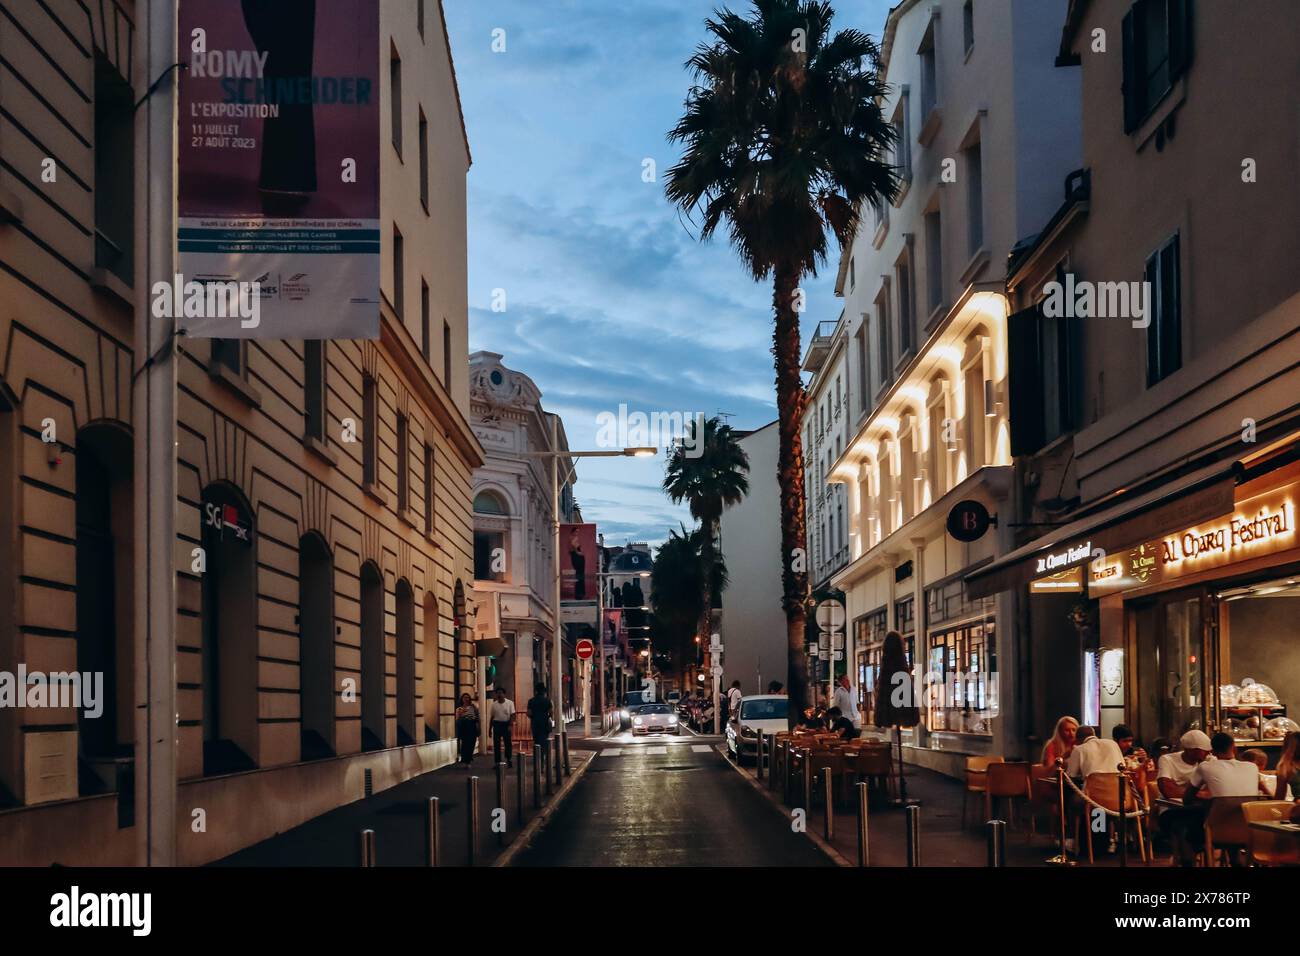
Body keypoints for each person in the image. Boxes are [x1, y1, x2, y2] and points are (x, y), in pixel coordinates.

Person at [490, 686, 516, 768]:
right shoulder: (494, 704)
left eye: (501, 693)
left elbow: (512, 715)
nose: (499, 695)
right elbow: (492, 717)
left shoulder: (509, 703)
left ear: (504, 694)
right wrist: (489, 729)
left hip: (506, 724)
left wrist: (510, 725)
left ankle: (509, 759)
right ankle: (497, 762)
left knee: (507, 743)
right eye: (498, 693)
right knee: (496, 744)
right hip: (497, 724)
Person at [454, 693, 479, 766]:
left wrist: (478, 727)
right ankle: (466, 760)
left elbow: (477, 717)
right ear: (462, 699)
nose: (466, 699)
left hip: (472, 725)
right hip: (464, 726)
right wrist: (461, 713)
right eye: (464, 697)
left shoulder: (473, 707)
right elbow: (457, 720)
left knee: (472, 743)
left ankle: (469, 758)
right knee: (465, 743)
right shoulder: (459, 709)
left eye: (468, 697)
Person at [526, 683, 552, 752]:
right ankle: (544, 756)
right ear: (544, 691)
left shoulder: (531, 701)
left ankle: (537, 756)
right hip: (545, 723)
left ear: (536, 691)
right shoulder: (547, 701)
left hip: (535, 723)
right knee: (544, 740)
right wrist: (547, 717)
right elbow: (551, 712)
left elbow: (528, 713)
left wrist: (533, 717)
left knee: (536, 741)